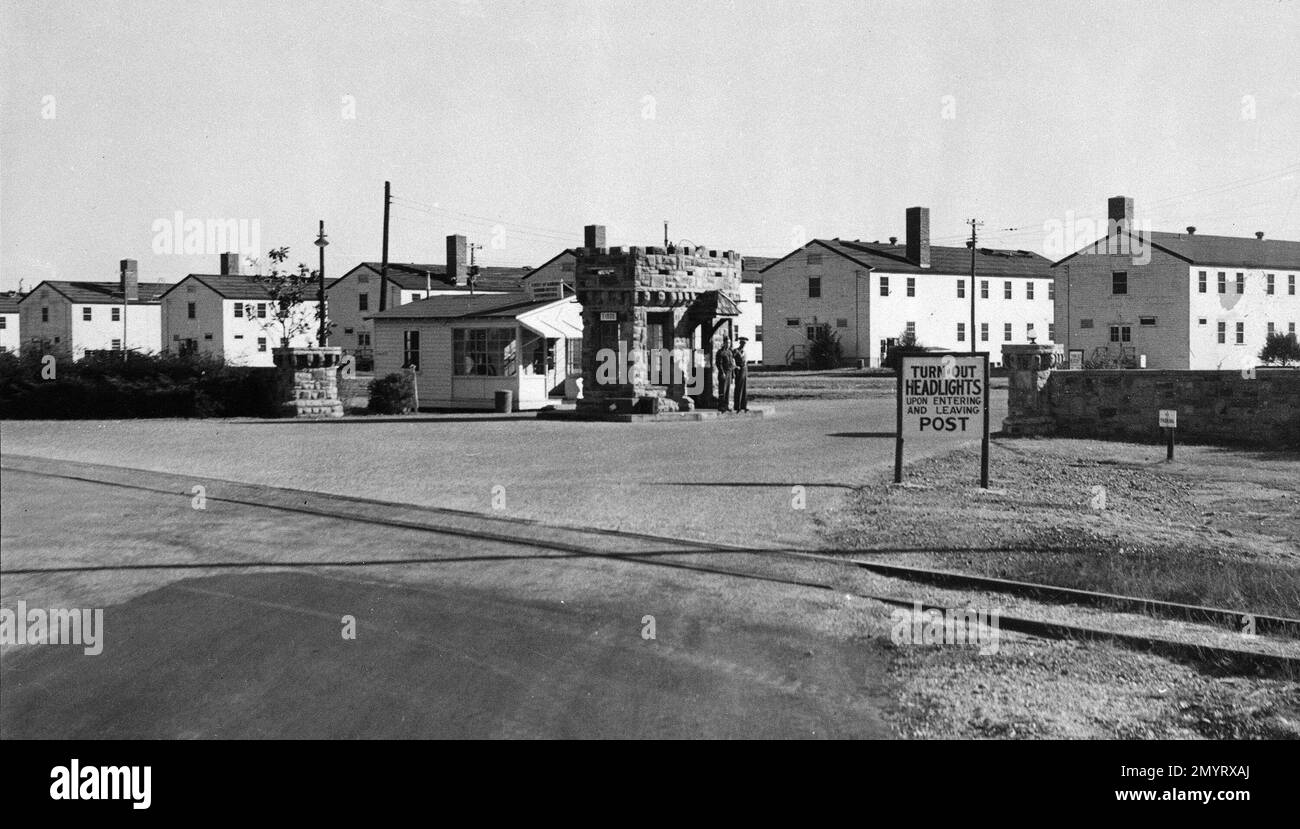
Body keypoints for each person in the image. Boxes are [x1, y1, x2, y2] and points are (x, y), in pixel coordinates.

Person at [714, 336, 735, 412]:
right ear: (724, 343)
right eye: (727, 342)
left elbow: (731, 363)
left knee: (728, 390)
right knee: (722, 390)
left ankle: (726, 405)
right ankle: (721, 406)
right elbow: (719, 363)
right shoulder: (720, 352)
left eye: (729, 342)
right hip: (723, 373)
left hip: (729, 372)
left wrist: (732, 374)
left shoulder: (729, 352)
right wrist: (722, 372)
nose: (728, 344)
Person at [732, 337, 749, 412]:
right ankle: (737, 405)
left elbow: (745, 361)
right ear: (740, 343)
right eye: (742, 343)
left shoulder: (744, 352)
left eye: (744, 343)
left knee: (744, 388)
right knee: (738, 388)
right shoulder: (735, 351)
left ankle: (743, 405)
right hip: (738, 370)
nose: (743, 345)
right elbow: (732, 360)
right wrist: (736, 367)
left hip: (744, 370)